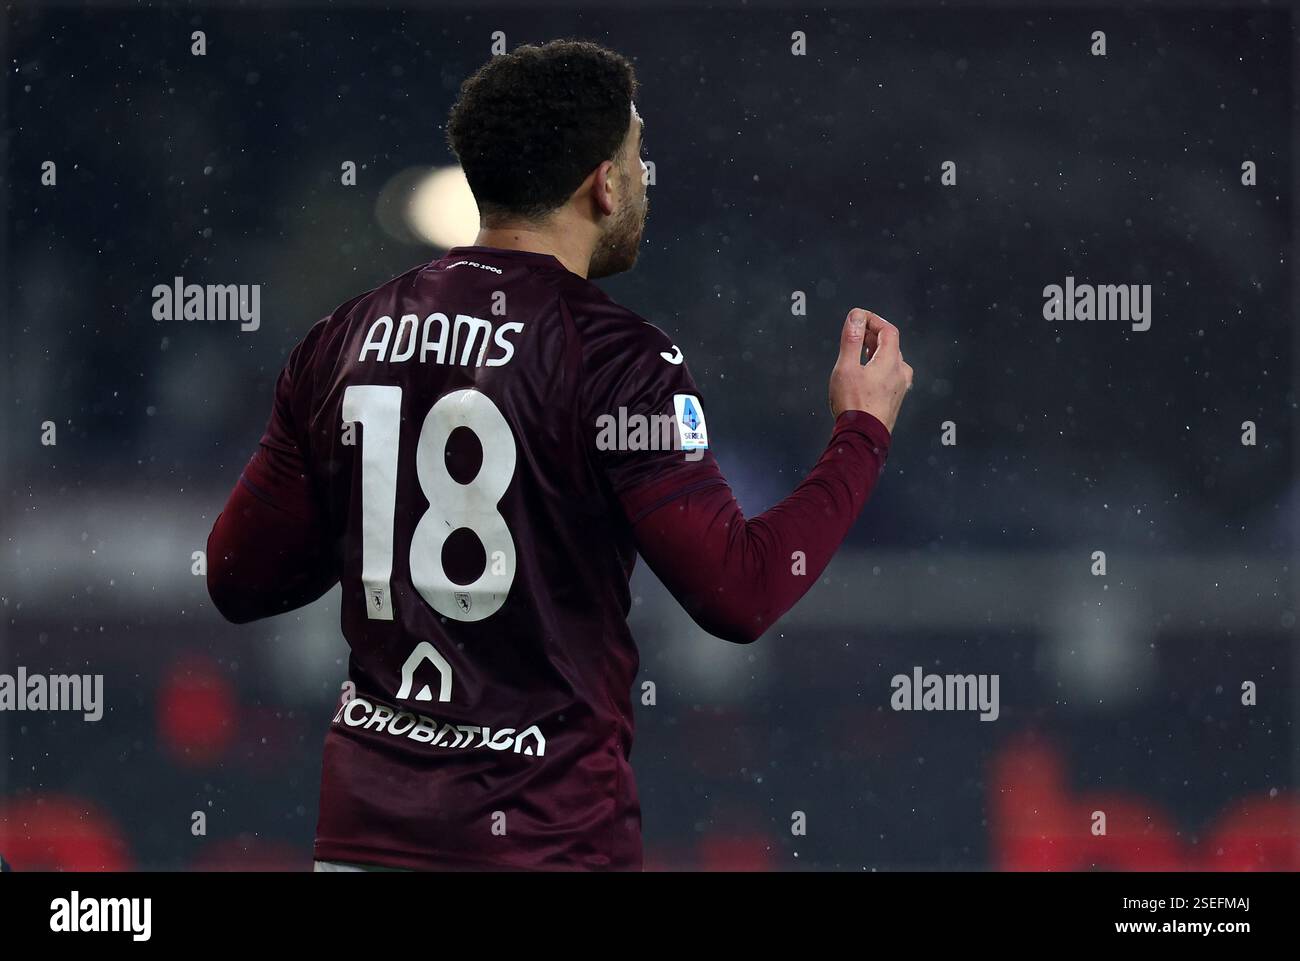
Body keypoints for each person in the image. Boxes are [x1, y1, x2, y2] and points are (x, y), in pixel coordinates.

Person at [206, 38, 912, 872]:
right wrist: (861, 433)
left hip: (367, 836)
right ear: (604, 182)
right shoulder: (618, 357)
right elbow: (741, 592)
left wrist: (376, 511)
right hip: (544, 838)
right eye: (638, 157)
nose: (644, 179)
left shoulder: (342, 338)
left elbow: (239, 580)